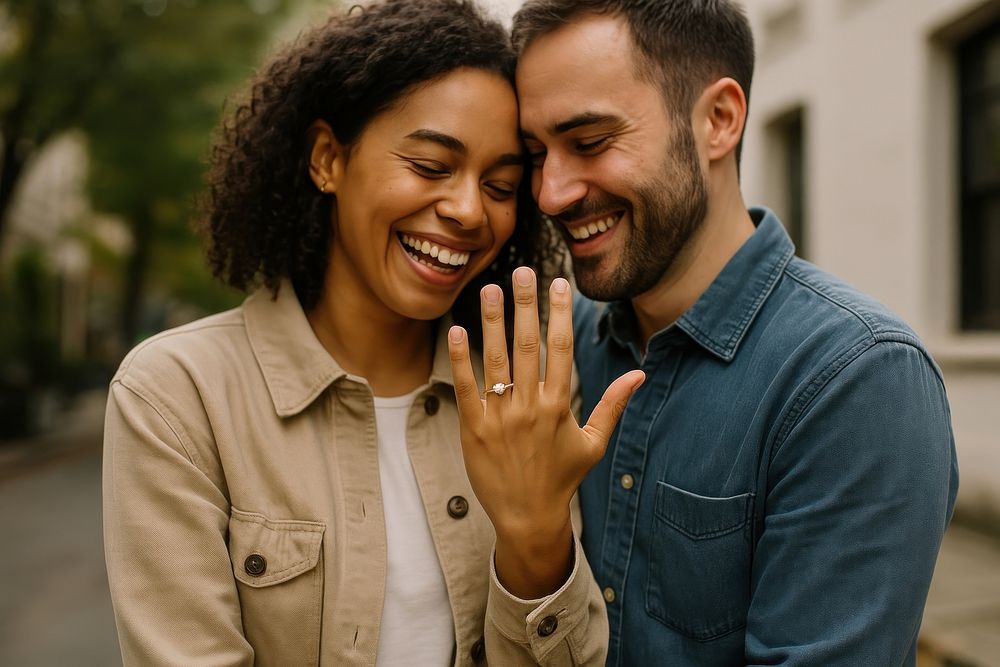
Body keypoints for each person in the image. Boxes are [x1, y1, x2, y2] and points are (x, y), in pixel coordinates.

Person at [451, 0, 960, 664]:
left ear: (718, 120)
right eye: (536, 155)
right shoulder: (557, 347)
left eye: (590, 141)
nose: (550, 193)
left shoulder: (856, 378)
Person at [101, 1, 610, 664]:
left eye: (501, 184)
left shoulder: (526, 392)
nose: (466, 210)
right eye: (431, 166)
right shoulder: (178, 395)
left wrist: (536, 540)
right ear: (326, 159)